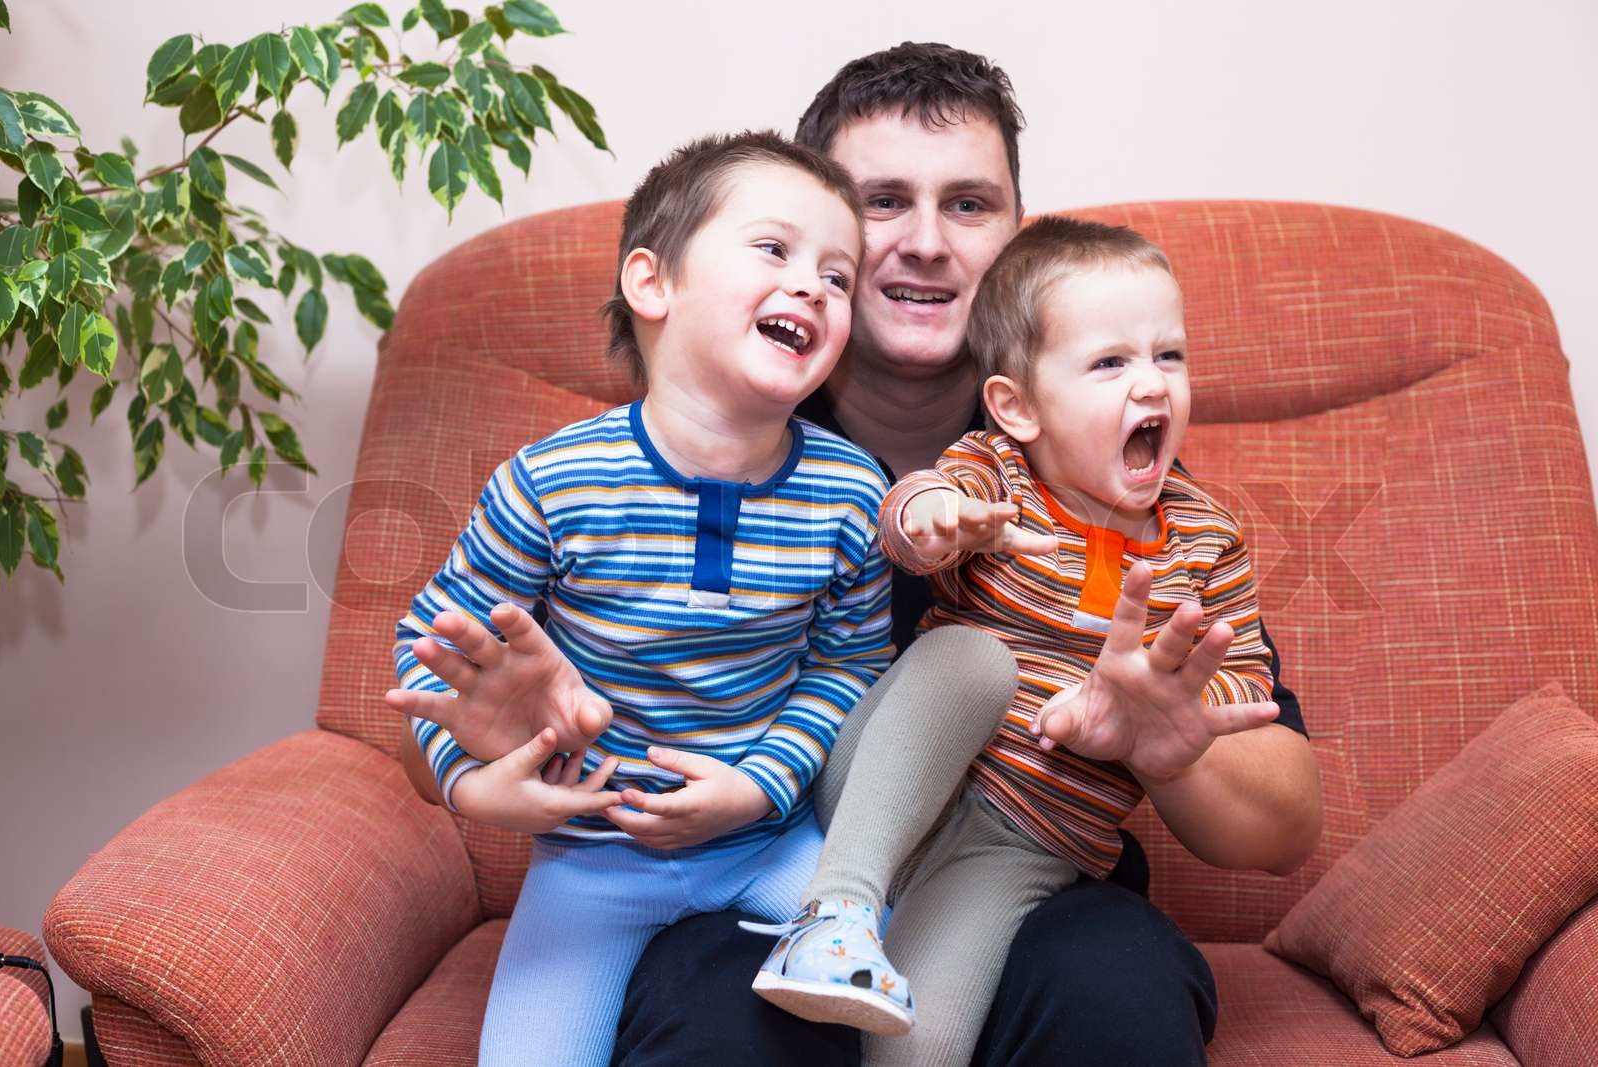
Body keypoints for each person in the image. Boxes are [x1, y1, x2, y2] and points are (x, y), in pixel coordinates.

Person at [397, 42, 1323, 1066]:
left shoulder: (1109, 464)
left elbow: (1281, 823)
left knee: (1119, 990)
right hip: (747, 865)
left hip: (1026, 868)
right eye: (882, 201)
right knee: (726, 1022)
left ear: (1016, 237)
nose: (924, 242)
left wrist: (1167, 741)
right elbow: (433, 693)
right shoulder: (667, 456)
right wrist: (502, 738)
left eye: (968, 205)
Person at [386, 131, 897, 1067]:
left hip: (771, 841)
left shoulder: (853, 492)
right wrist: (475, 780)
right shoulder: (552, 482)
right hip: (592, 862)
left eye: (838, 275)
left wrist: (757, 786)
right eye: (775, 250)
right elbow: (428, 644)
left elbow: (853, 665)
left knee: (898, 985)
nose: (814, 288)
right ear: (652, 285)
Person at [741, 217, 1281, 1067]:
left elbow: (1242, 690)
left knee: (921, 1042)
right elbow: (922, 500)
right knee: (974, 655)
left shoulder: (1206, 539)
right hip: (892, 780)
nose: (1152, 385)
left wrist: (1168, 711)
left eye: (1169, 356)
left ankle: (866, 958)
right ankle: (836, 905)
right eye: (1111, 362)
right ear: (1016, 406)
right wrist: (933, 522)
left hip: (1025, 844)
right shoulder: (1000, 477)